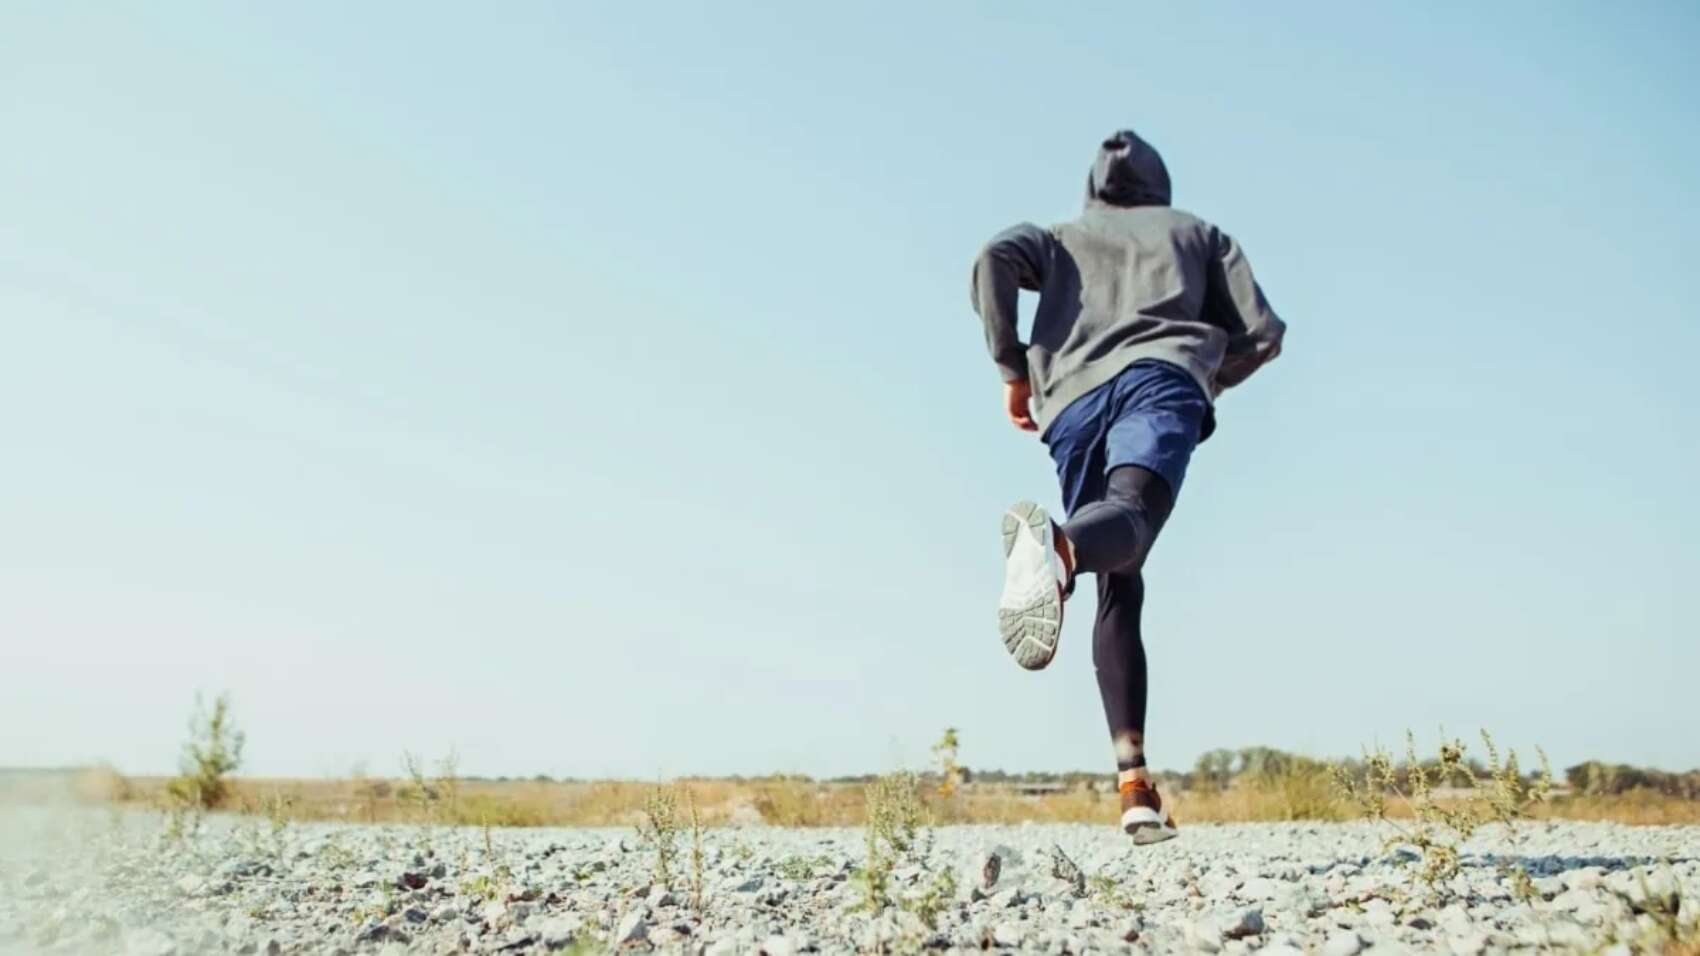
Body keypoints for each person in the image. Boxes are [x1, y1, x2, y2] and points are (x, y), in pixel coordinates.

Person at [971, 129, 1286, 843]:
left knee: (1120, 570)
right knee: (1127, 525)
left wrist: (1012, 367)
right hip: (1158, 383)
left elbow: (993, 256)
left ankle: (1135, 789)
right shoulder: (1198, 234)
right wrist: (1203, 369)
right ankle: (1053, 547)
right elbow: (1263, 333)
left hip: (1071, 405)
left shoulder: (1057, 237)